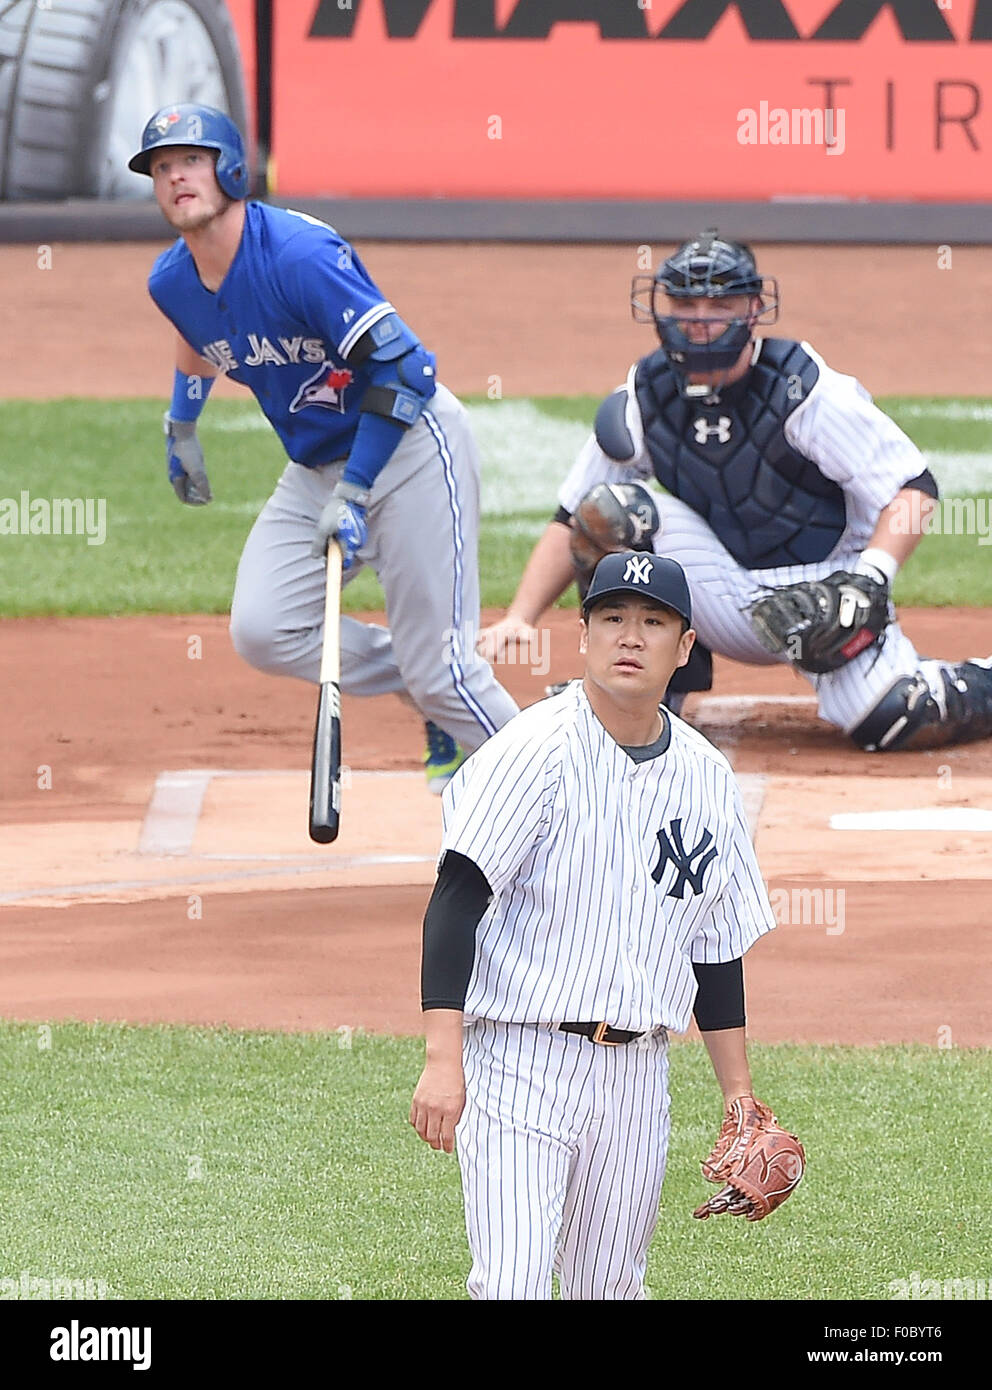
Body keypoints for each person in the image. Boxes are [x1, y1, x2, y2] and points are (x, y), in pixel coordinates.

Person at [410, 551, 804, 1301]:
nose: (632, 635)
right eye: (613, 618)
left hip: (636, 1077)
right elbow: (456, 900)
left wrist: (740, 1095)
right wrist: (442, 1056)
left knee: (610, 1290)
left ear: (685, 647)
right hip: (521, 1065)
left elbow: (714, 951)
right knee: (512, 1287)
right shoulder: (534, 750)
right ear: (584, 634)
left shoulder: (705, 777)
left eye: (653, 622)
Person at [129, 103, 518, 790]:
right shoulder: (171, 279)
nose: (176, 177)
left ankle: (574, 803)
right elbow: (196, 334)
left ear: (231, 168)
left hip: (409, 448)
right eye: (162, 167)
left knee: (447, 671)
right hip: (314, 466)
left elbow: (408, 369)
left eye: (191, 160)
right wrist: (181, 424)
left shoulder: (300, 258)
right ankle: (427, 683)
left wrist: (358, 487)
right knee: (264, 628)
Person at [479, 231, 992, 751]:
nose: (700, 318)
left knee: (896, 718)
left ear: (752, 308)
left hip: (829, 592)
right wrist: (521, 616)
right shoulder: (646, 392)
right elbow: (575, 515)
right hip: (715, 586)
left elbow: (913, 487)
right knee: (612, 512)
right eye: (685, 302)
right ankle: (651, 688)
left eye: (719, 302)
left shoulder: (801, 387)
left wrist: (870, 580)